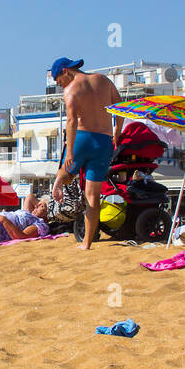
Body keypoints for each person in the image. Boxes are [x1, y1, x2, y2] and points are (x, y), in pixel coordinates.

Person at [49, 57, 123, 250]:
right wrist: (118, 130)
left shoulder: (71, 89)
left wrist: (71, 150)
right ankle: (86, 244)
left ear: (66, 71)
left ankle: (57, 183)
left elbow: (72, 121)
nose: (59, 86)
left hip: (82, 137)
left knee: (67, 171)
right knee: (93, 196)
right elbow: (120, 105)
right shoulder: (103, 80)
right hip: (104, 141)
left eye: (58, 81)